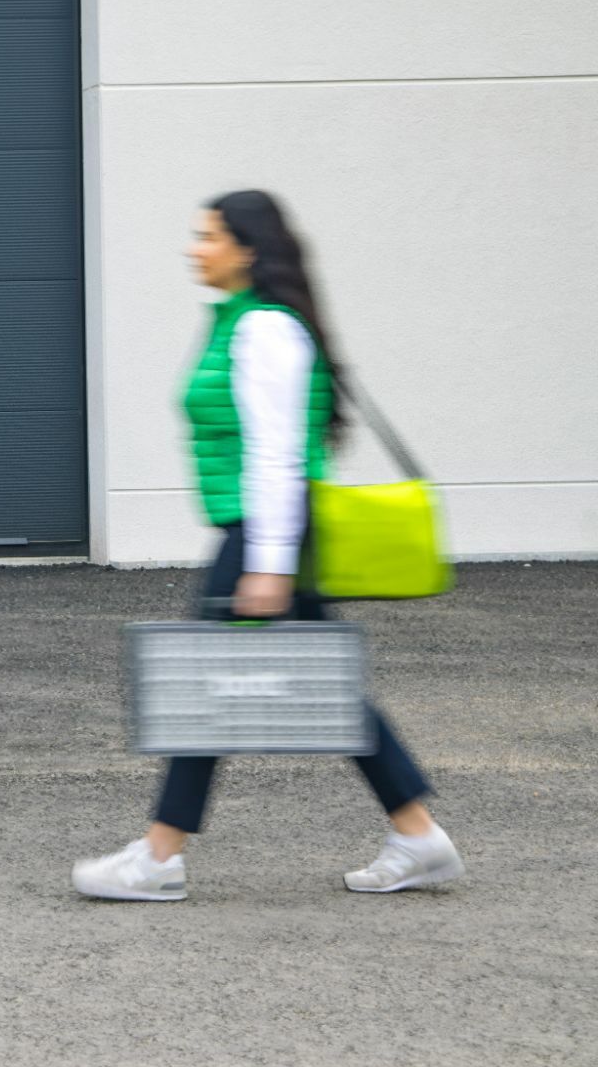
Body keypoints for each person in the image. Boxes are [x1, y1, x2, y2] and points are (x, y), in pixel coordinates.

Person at [71, 190, 464, 901]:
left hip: (264, 529)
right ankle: (417, 834)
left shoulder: (265, 331)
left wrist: (267, 563)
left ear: (248, 249)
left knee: (202, 687)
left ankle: (159, 856)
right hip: (264, 528)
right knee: (324, 686)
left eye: (209, 236)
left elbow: (280, 454)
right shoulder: (239, 324)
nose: (196, 248)